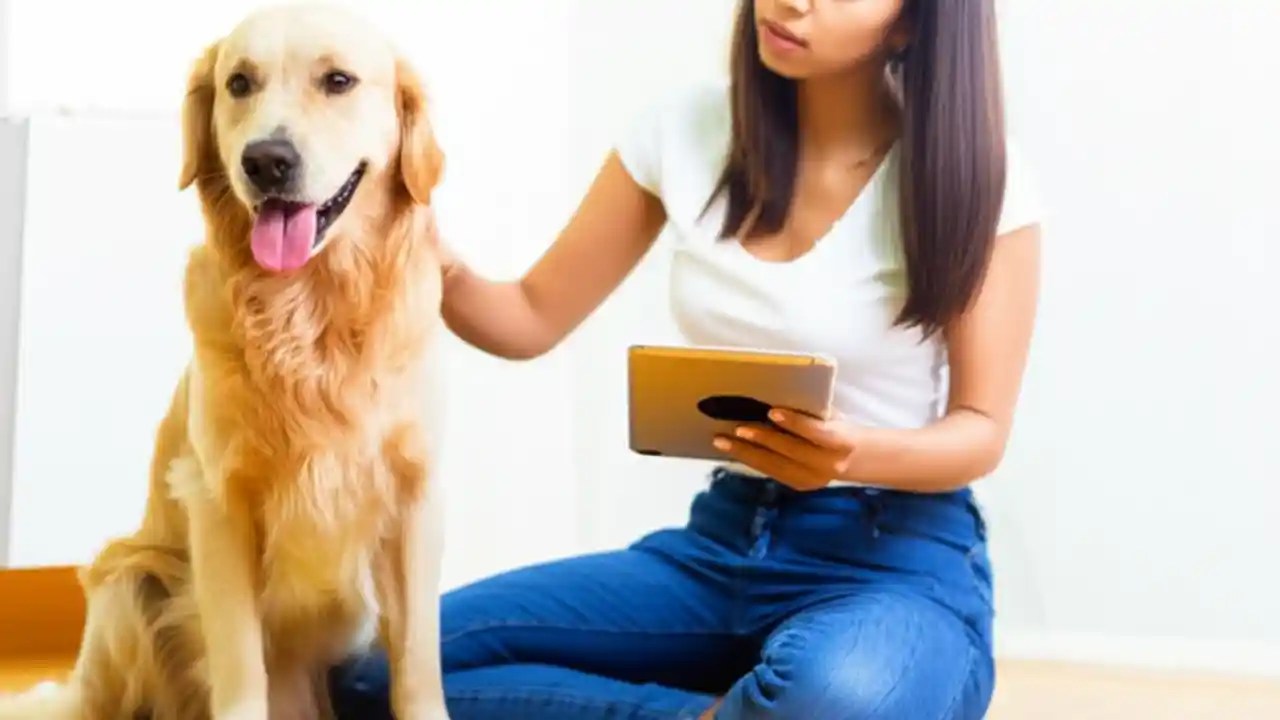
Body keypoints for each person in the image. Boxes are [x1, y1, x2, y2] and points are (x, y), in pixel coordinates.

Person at [332, 0, 1041, 717]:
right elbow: (529, 318)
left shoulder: (975, 172)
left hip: (894, 559)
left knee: (832, 699)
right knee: (375, 677)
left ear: (912, 23)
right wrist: (433, 257)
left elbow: (980, 428)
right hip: (724, 542)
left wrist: (852, 456)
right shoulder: (684, 132)